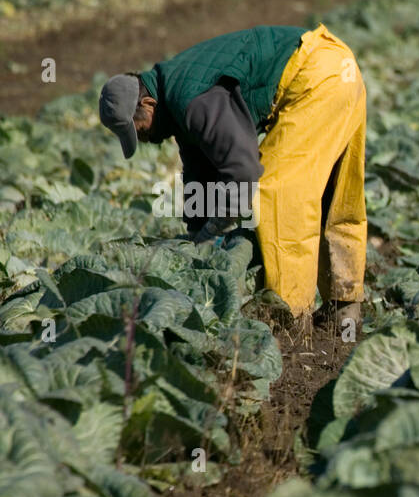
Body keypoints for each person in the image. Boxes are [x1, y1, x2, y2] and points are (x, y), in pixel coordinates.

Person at [98, 24, 366, 327]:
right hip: (338, 65)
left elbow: (243, 171)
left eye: (139, 130)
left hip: (317, 79)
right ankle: (344, 308)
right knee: (337, 192)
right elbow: (201, 175)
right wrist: (194, 239)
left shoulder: (194, 101)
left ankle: (287, 314)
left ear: (148, 104)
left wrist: (214, 229)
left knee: (277, 193)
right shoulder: (177, 94)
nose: (143, 139)